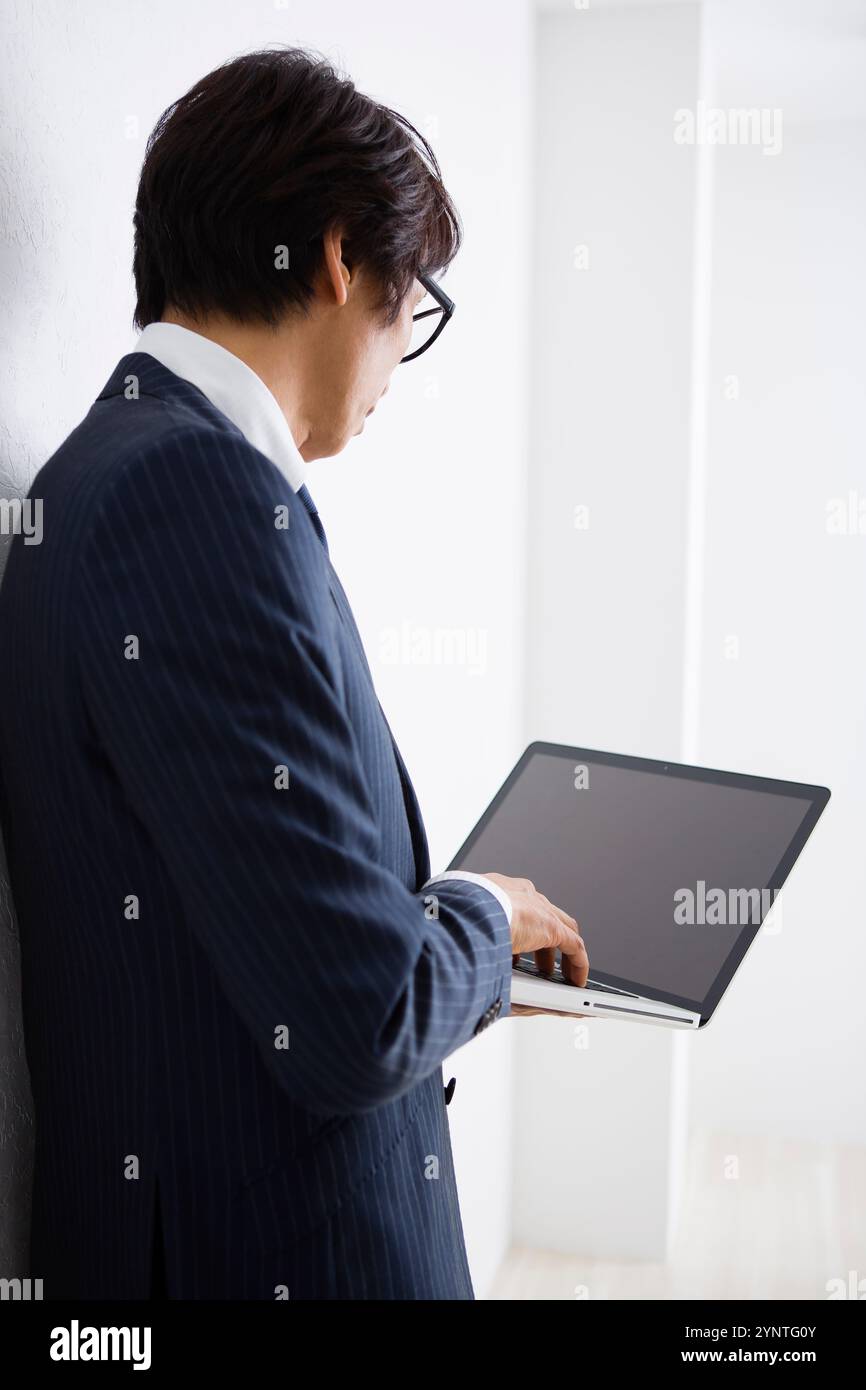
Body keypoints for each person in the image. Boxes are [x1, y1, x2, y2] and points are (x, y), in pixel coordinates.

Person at [0, 47, 587, 1301]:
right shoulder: (193, 492)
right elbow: (357, 1016)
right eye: (409, 306)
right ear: (337, 259)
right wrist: (481, 919)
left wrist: (439, 946)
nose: (393, 367)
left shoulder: (94, 474)